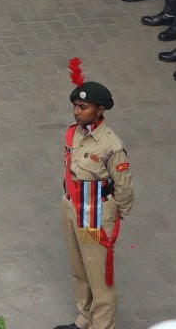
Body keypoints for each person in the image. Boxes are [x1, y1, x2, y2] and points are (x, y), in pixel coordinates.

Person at [57, 67, 134, 329]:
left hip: (93, 211)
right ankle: (84, 320)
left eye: (83, 107)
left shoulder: (111, 145)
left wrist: (113, 215)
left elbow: (124, 188)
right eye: (75, 106)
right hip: (71, 206)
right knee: (80, 270)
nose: (77, 111)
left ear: (100, 110)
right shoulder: (74, 132)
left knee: (100, 277)